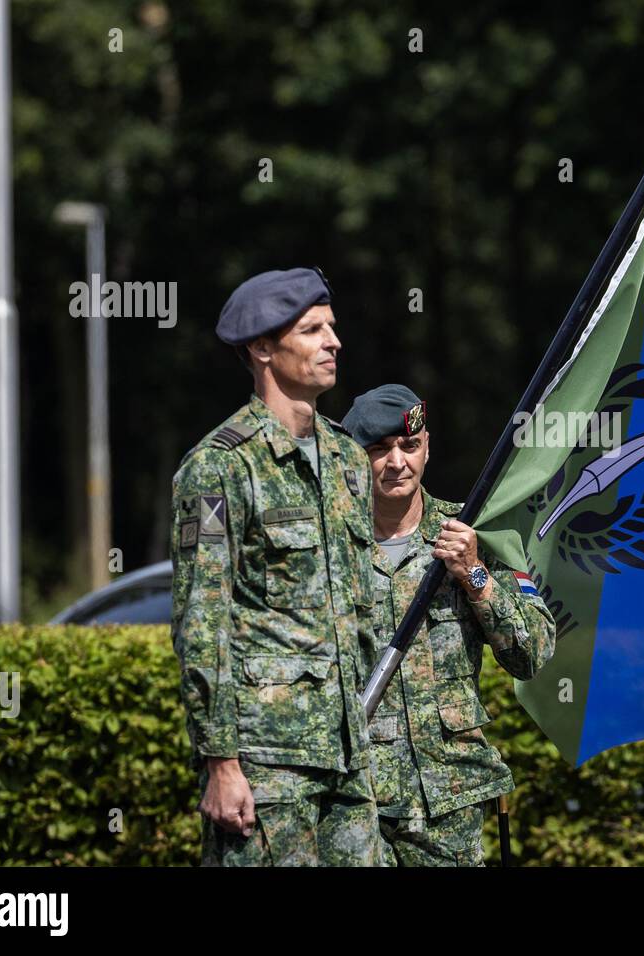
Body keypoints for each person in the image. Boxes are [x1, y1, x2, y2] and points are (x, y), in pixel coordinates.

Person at [170, 267, 385, 866]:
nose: (333, 342)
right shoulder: (218, 469)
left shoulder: (346, 456)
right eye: (312, 330)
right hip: (268, 766)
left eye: (332, 328)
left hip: (349, 756)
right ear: (262, 348)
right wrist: (221, 763)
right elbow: (201, 621)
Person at [342, 384, 556, 866]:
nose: (397, 462)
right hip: (354, 801)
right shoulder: (331, 546)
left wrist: (475, 576)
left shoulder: (471, 533)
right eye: (379, 450)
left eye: (409, 446)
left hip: (445, 803)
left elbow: (533, 653)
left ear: (427, 447)